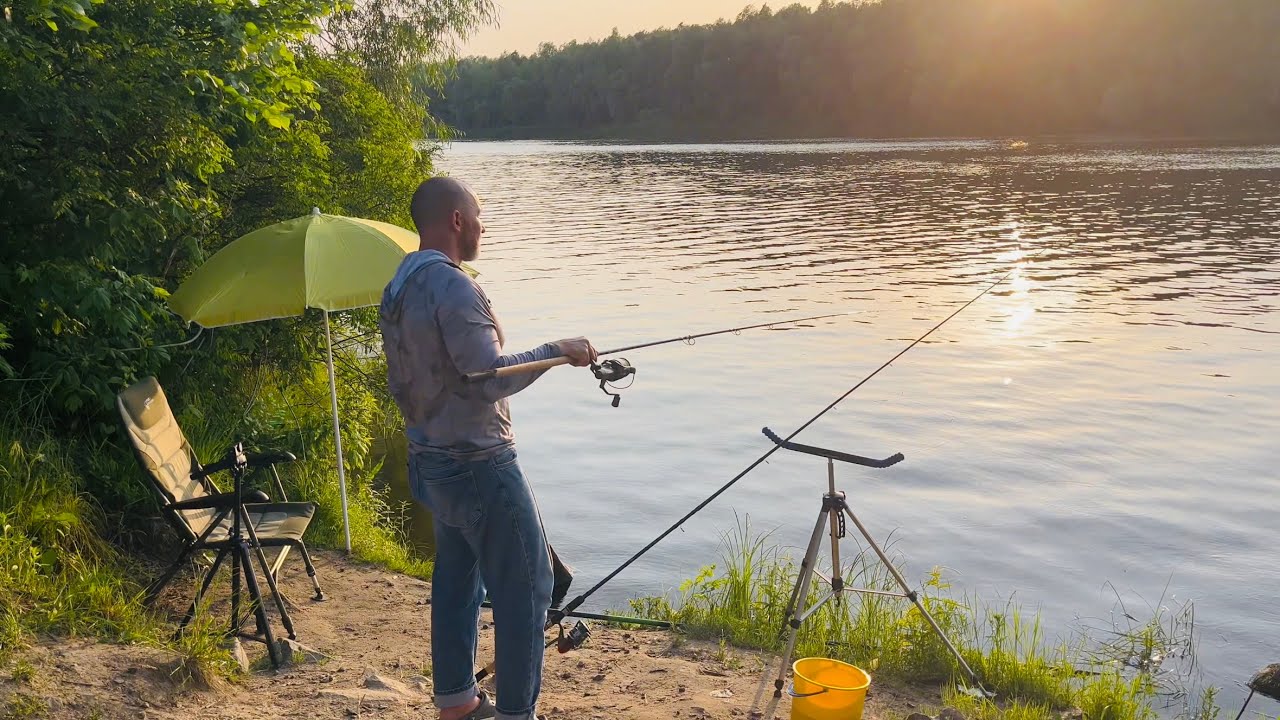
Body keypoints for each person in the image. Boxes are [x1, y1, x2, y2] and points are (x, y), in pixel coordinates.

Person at [379, 177, 597, 720]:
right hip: (478, 463)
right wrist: (558, 351)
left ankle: (456, 701)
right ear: (455, 220)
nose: (482, 226)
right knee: (529, 587)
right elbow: (485, 375)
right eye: (477, 216)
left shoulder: (398, 285)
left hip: (429, 461)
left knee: (458, 577)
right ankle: (516, 714)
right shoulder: (454, 286)